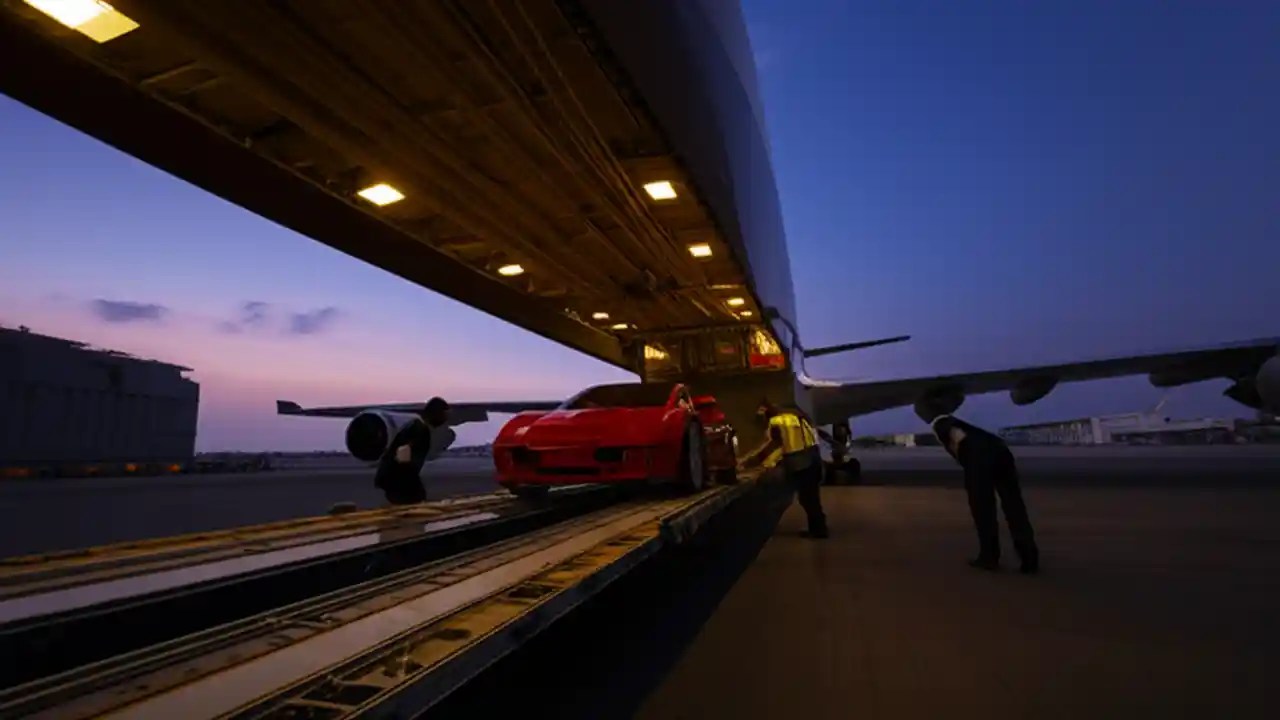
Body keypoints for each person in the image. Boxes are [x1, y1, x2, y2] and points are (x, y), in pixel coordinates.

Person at [914, 398, 1039, 574]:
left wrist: (969, 463)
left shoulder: (941, 424)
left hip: (979, 459)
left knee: (983, 509)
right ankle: (1029, 557)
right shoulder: (960, 421)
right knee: (1014, 505)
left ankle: (989, 556)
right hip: (1001, 453)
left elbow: (959, 438)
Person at [739, 400, 829, 539]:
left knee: (803, 497)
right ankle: (818, 528)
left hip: (800, 463)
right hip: (814, 458)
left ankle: (819, 530)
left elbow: (770, 446)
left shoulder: (776, 422)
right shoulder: (795, 417)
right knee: (811, 497)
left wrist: (747, 461)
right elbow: (787, 445)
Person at [373, 397, 454, 505]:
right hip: (397, 479)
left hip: (393, 477)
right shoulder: (419, 429)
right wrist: (412, 483)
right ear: (436, 413)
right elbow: (403, 454)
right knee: (415, 501)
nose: (445, 419)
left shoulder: (416, 425)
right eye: (444, 415)